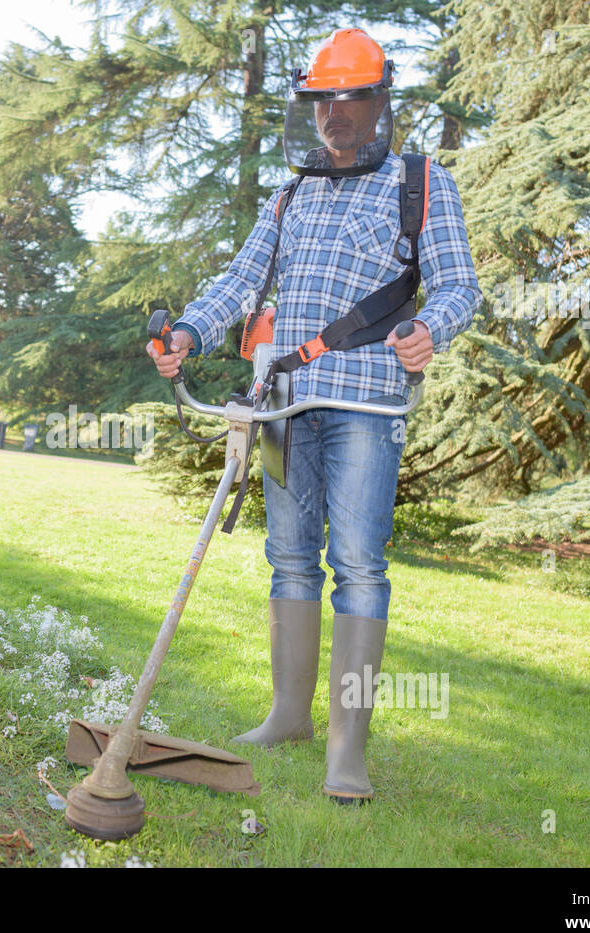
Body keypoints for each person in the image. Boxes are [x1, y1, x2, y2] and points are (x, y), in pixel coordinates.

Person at [146, 28, 480, 805]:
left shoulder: (421, 183)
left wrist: (435, 327)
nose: (335, 116)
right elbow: (241, 276)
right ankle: (289, 714)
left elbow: (460, 285)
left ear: (379, 105)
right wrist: (191, 331)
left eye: (351, 100)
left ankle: (347, 752)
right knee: (289, 557)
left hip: (366, 399)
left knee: (359, 565)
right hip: (283, 402)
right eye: (323, 102)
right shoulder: (290, 192)